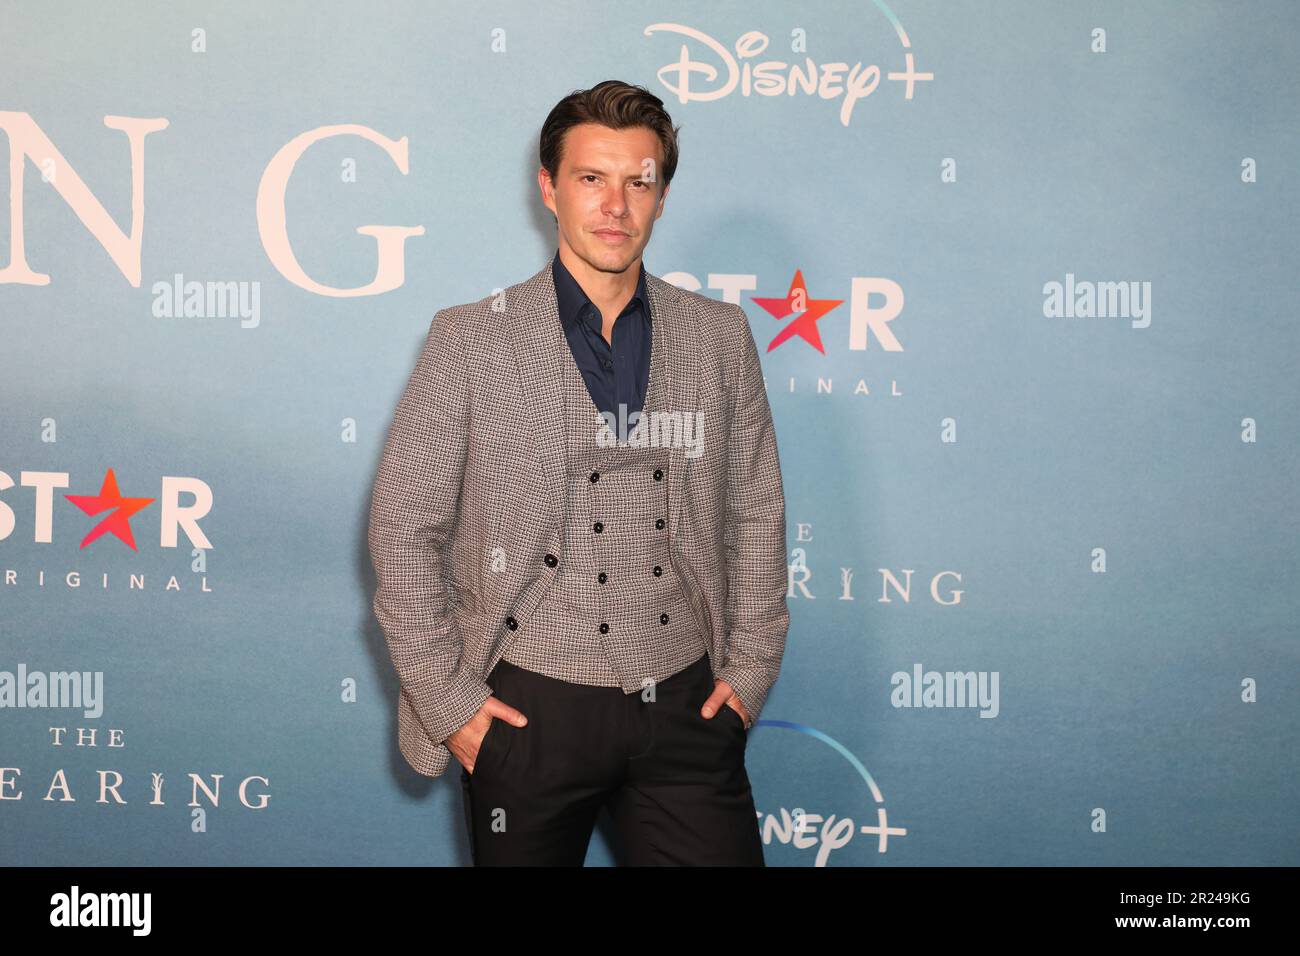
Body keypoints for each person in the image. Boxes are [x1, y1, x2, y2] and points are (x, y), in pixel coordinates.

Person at [367, 79, 788, 865]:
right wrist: (451, 702)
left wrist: (754, 664)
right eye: (592, 178)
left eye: (640, 181)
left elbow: (755, 509)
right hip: (527, 712)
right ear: (549, 190)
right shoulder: (468, 341)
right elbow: (403, 528)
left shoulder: (719, 335)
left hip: (688, 707)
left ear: (662, 197)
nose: (616, 205)